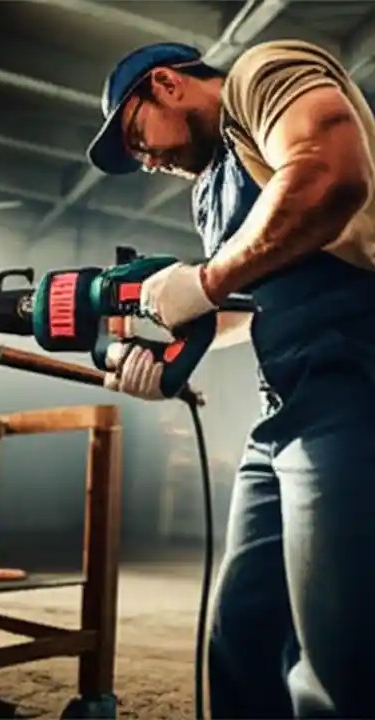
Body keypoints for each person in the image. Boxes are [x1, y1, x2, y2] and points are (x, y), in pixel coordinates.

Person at [88, 40, 375, 716]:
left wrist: (207, 280)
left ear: (166, 83)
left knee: (338, 659)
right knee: (242, 631)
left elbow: (330, 175)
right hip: (283, 413)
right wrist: (168, 348)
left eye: (138, 136)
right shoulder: (210, 193)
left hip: (354, 380)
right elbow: (251, 303)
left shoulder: (262, 74)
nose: (147, 160)